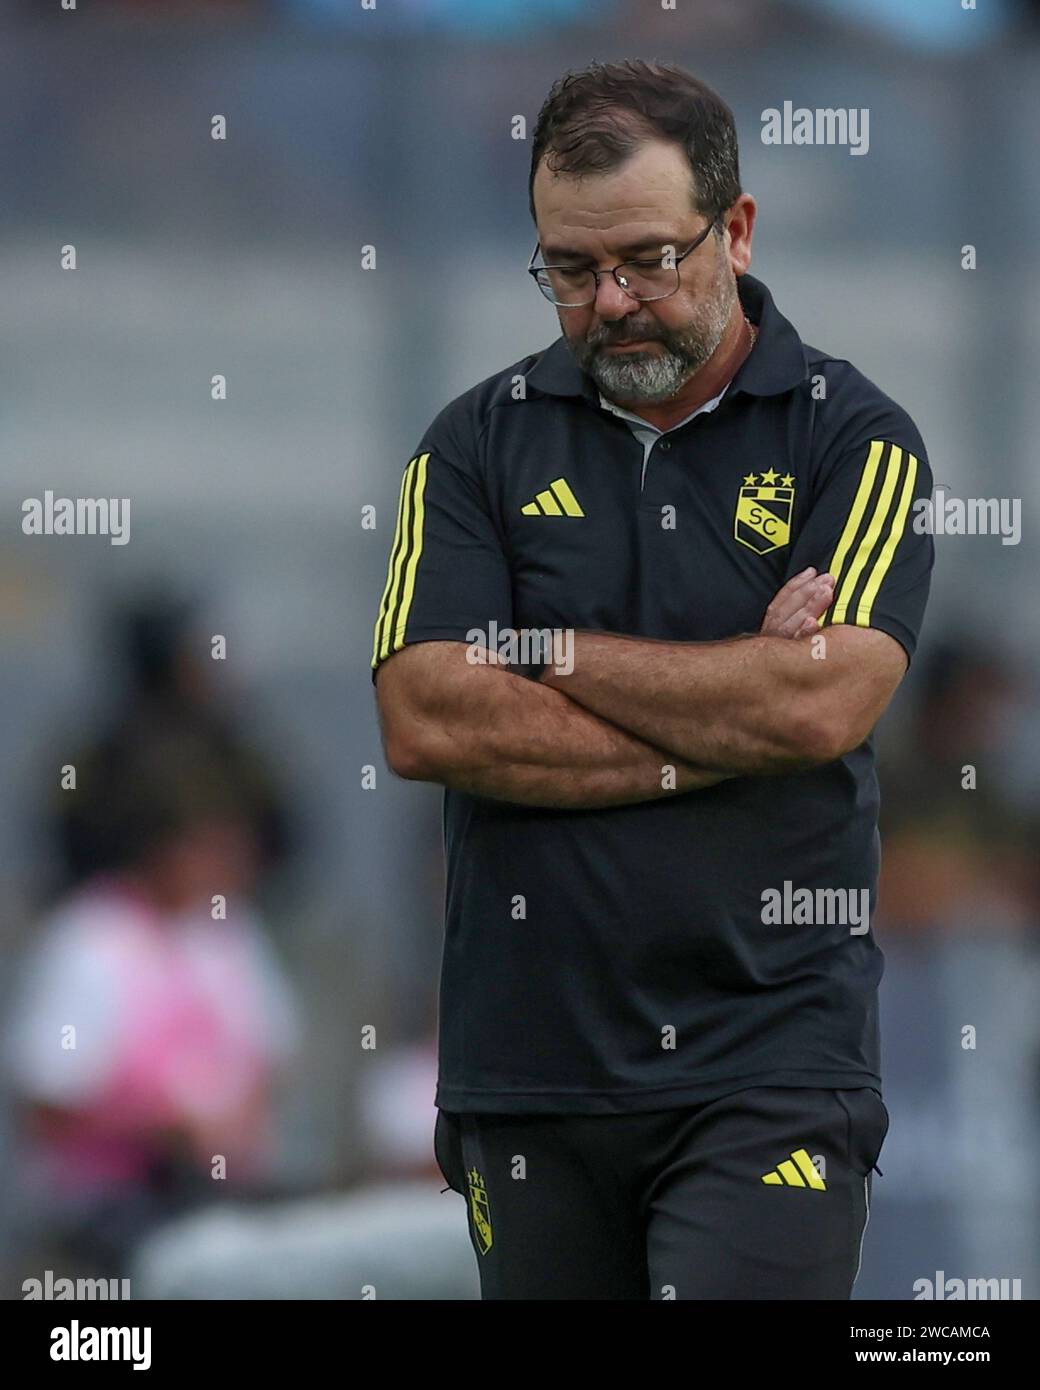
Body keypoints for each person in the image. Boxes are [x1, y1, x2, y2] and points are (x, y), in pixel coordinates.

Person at [371, 59, 934, 1300]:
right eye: (569, 270)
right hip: (527, 1071)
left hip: (768, 1062)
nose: (609, 301)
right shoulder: (472, 442)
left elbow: (821, 703)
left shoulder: (854, 435)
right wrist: (729, 709)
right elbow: (423, 716)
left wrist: (547, 650)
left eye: (645, 259)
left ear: (733, 228)